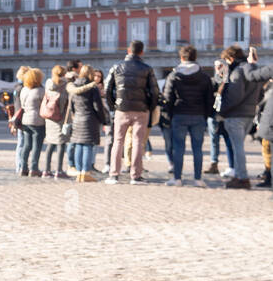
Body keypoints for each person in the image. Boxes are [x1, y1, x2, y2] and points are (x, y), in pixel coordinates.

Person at [214, 45, 273, 189]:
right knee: (238, 147)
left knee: (237, 147)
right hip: (249, 113)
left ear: (231, 58)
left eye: (226, 60)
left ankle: (242, 177)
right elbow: (259, 93)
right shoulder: (251, 69)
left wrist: (222, 111)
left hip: (235, 114)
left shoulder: (237, 71)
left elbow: (234, 95)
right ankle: (240, 175)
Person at [104, 40, 160, 185]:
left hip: (121, 109)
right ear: (141, 52)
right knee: (138, 142)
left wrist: (113, 106)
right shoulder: (147, 68)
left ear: (128, 50)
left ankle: (113, 175)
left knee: (118, 141)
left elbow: (107, 89)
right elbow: (155, 91)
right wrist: (151, 107)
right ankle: (135, 175)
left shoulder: (117, 67)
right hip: (141, 110)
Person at [159, 45, 213, 186]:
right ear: (195, 57)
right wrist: (205, 115)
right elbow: (209, 99)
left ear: (181, 57)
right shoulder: (204, 76)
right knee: (197, 149)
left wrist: (170, 115)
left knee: (178, 148)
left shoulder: (174, 75)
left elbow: (168, 98)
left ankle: (177, 178)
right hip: (198, 115)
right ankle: (198, 179)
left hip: (179, 114)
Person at [67, 65, 107, 182]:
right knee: (88, 146)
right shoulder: (92, 88)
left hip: (78, 118)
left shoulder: (73, 86)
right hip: (90, 118)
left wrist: (75, 115)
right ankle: (86, 172)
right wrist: (102, 119)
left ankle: (79, 172)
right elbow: (97, 106)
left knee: (78, 145)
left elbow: (72, 105)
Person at [40, 64, 70, 179]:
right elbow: (65, 103)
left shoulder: (48, 84)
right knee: (61, 144)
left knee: (50, 144)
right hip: (60, 119)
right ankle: (59, 170)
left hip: (49, 118)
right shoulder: (65, 86)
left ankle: (46, 170)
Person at [16, 67, 46, 177]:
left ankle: (23, 167)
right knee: (36, 146)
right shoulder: (40, 91)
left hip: (25, 120)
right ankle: (34, 168)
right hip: (37, 120)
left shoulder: (24, 90)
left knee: (26, 145)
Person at [254, 76, 273, 189]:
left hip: (268, 125)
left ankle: (268, 175)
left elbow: (261, 105)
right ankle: (267, 174)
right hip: (267, 124)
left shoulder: (269, 89)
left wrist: (259, 123)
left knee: (267, 152)